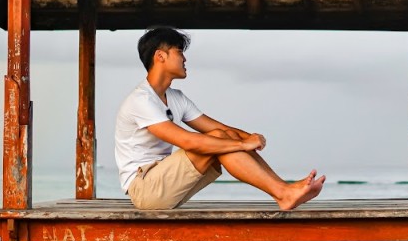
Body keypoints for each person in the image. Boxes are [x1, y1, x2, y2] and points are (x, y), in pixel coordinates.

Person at [115, 26, 326, 211]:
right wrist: (243, 143)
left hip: (167, 184)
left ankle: (284, 189)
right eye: (179, 52)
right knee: (219, 140)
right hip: (145, 190)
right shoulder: (141, 100)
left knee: (224, 137)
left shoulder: (176, 97)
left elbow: (219, 128)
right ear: (160, 56)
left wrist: (251, 138)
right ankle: (282, 192)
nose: (185, 59)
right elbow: (187, 141)